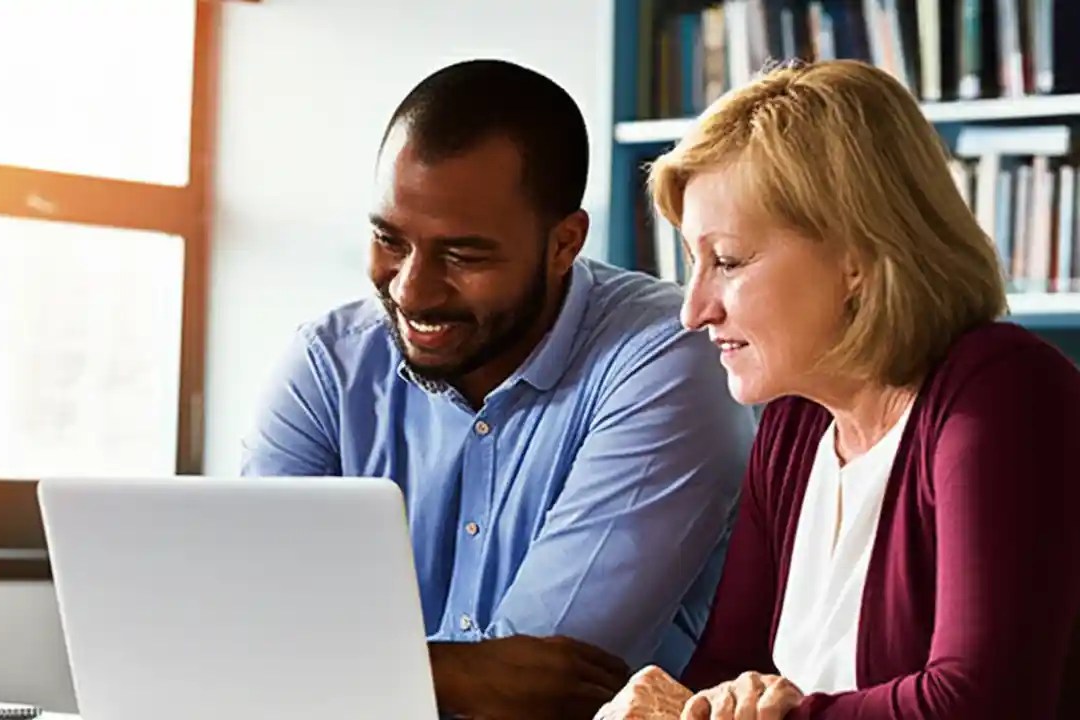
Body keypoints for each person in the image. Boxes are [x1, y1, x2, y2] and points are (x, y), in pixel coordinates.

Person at [240, 58, 755, 720]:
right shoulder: (327, 366)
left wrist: (340, 667)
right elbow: (249, 641)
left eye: (463, 256)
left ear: (564, 244)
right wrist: (452, 674)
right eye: (389, 240)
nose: (412, 289)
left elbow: (543, 693)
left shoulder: (666, 359)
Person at [596, 58, 1080, 720]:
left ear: (856, 257)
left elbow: (981, 701)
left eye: (728, 262)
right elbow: (724, 678)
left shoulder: (1003, 394)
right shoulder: (793, 426)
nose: (694, 309)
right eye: (692, 263)